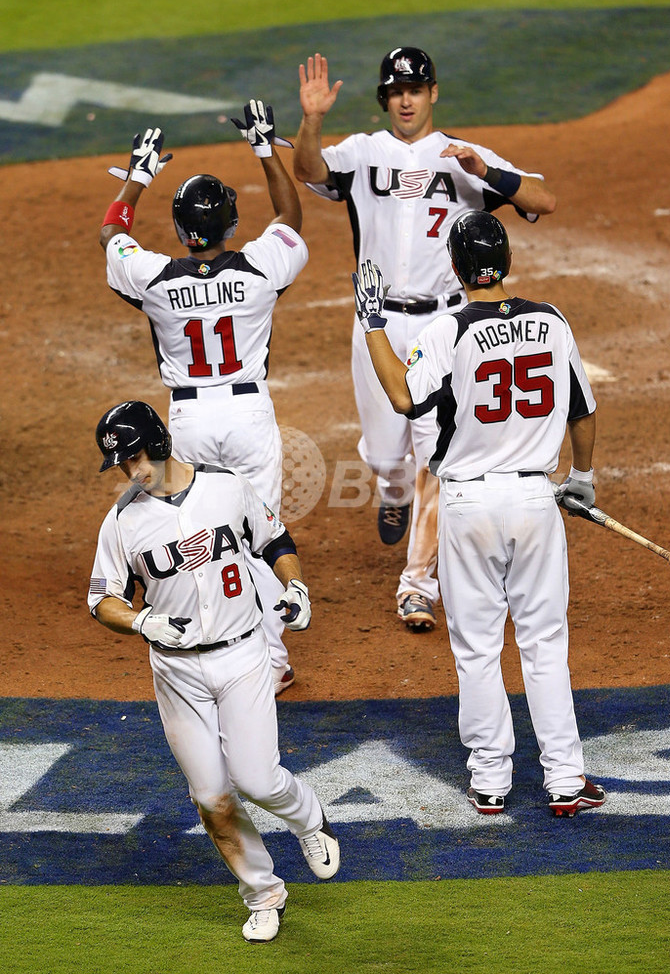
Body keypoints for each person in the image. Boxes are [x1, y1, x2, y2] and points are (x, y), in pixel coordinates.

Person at [350, 211, 607, 817]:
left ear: (457, 268)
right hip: (535, 500)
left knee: (477, 648)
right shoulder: (551, 320)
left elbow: (403, 396)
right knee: (545, 643)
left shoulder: (448, 331)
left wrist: (372, 324)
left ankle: (491, 779)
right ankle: (566, 780)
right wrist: (583, 479)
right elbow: (582, 410)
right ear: (507, 260)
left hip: (467, 505)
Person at [294, 48, 557, 633]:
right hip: (378, 324)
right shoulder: (362, 153)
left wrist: (485, 173)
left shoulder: (464, 156)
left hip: (447, 326)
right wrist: (311, 120)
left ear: (433, 92)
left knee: (434, 457)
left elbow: (544, 199)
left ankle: (417, 584)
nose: (405, 99)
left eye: (415, 89)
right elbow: (308, 172)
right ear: (385, 99)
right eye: (395, 91)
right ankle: (392, 491)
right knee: (389, 459)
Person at [87, 400, 340, 942]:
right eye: (121, 464)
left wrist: (293, 585)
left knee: (257, 779)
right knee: (211, 798)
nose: (129, 472)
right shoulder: (122, 522)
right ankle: (264, 894)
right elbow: (102, 600)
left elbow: (274, 539)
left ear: (157, 442)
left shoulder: (225, 487)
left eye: (133, 458)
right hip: (176, 674)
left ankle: (308, 818)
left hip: (243, 655)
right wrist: (141, 622)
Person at [99, 101, 305, 695]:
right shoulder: (261, 269)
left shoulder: (155, 279)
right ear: (232, 226)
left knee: (205, 536)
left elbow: (114, 234)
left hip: (186, 420)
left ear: (182, 226)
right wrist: (264, 146)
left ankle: (213, 641)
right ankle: (270, 660)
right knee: (259, 534)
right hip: (248, 412)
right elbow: (290, 214)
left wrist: (139, 173)